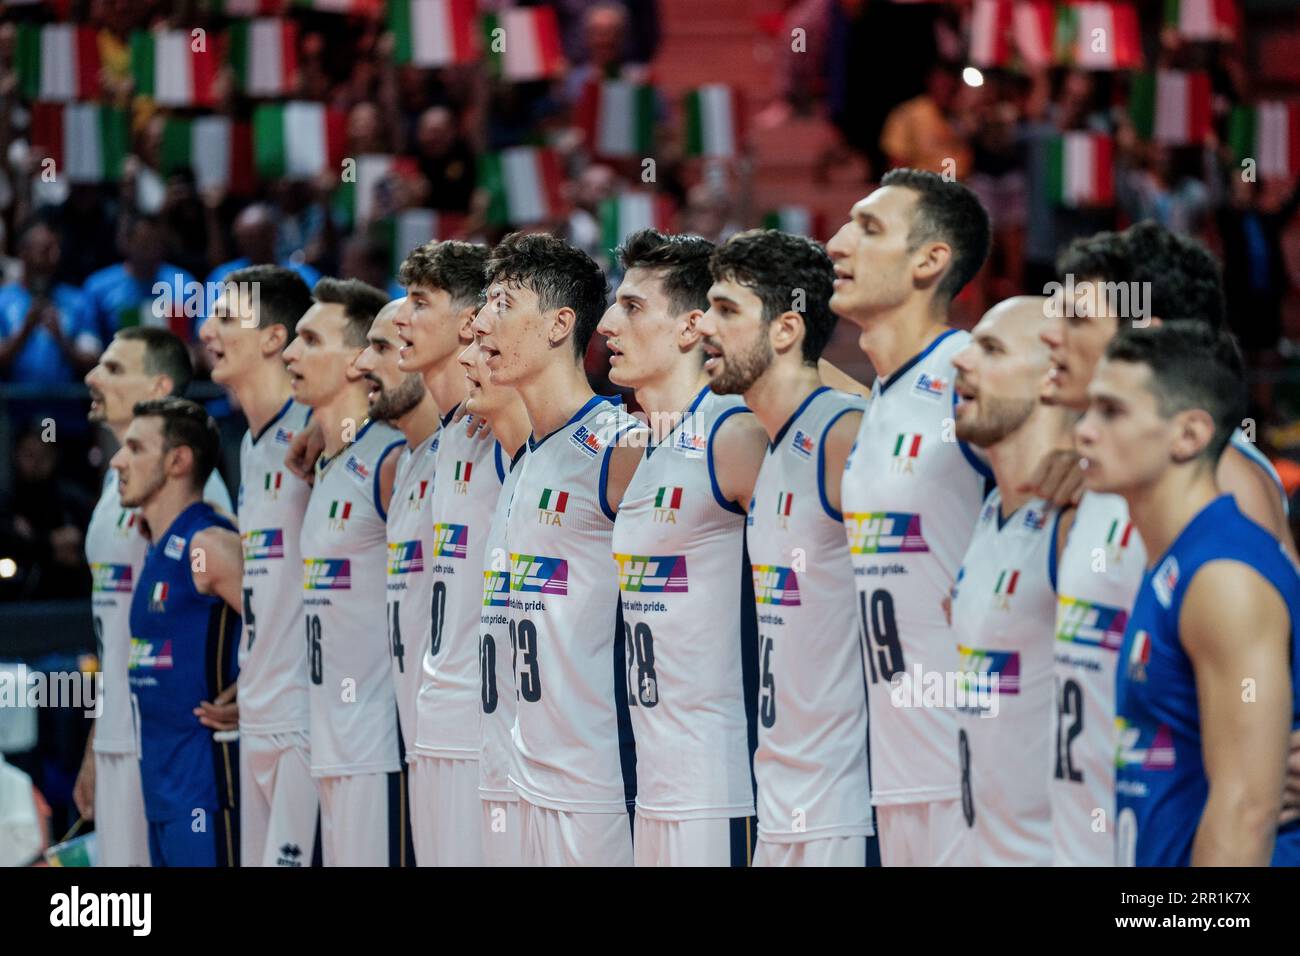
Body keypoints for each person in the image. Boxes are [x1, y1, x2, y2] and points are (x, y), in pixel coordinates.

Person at [1039, 221, 1298, 865]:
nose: (1052, 333)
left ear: (1143, 333)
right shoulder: (1110, 484)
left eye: (1076, 317)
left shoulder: (1225, 481)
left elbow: (1272, 639)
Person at [826, 168, 998, 865]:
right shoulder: (883, 400)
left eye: (868, 229)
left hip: (976, 772)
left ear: (931, 261)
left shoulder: (974, 376)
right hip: (898, 775)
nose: (837, 244)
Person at [698, 228, 872, 866]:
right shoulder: (768, 448)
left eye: (726, 310)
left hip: (846, 806)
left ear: (785, 330)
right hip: (780, 796)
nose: (702, 328)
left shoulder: (843, 436)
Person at [473, 232, 647, 866]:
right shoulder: (523, 458)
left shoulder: (621, 445)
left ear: (558, 326)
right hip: (518, 778)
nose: (481, 319)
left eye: (502, 303)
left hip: (593, 790)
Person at [597, 229, 767, 866]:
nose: (609, 323)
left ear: (692, 327)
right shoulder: (639, 443)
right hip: (652, 779)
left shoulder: (734, 433)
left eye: (634, 307)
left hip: (720, 789)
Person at [76, 327, 231, 867]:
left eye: (115, 368)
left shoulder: (189, 488)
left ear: (161, 384)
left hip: (170, 741)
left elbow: (240, 605)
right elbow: (118, 633)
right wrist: (98, 741)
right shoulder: (117, 482)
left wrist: (249, 683)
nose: (94, 377)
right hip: (121, 730)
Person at [948, 296, 1077, 865]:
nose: (961, 361)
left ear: (1053, 376)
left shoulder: (1087, 515)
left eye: (991, 348)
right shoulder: (991, 509)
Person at [281, 278, 405, 866]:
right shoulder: (329, 461)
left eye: (309, 339)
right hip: (326, 742)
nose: (289, 354)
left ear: (360, 360)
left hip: (380, 748)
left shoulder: (392, 460)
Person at [200, 265, 319, 868]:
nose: (206, 330)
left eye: (224, 318)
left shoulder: (319, 431)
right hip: (261, 709)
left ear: (275, 338)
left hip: (310, 719)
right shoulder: (248, 443)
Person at [389, 241, 494, 867]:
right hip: (431, 722)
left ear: (467, 322)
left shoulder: (507, 429)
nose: (402, 317)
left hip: (487, 733)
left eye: (418, 303)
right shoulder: (444, 437)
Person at [118, 398, 243, 866]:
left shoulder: (207, 543)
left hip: (207, 790)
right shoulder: (155, 547)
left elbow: (286, 623)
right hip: (161, 792)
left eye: (133, 447)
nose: (117, 459)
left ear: (178, 460)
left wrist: (256, 687)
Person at [458, 323, 532, 867]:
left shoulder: (609, 444)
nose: (470, 359)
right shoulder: (467, 443)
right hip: (488, 756)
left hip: (574, 779)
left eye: (484, 348)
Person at [0, 219, 99, 383]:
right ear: (23, 252)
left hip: (66, 406)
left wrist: (60, 337)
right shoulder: (3, 301)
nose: (54, 257)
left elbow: (92, 360)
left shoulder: (78, 301)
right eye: (45, 250)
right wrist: (25, 330)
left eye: (56, 249)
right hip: (14, 406)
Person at [83, 214, 200, 342]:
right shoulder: (99, 287)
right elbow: (90, 343)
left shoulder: (184, 284)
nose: (150, 250)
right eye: (144, 244)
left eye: (155, 242)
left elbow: (195, 341)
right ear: (127, 243)